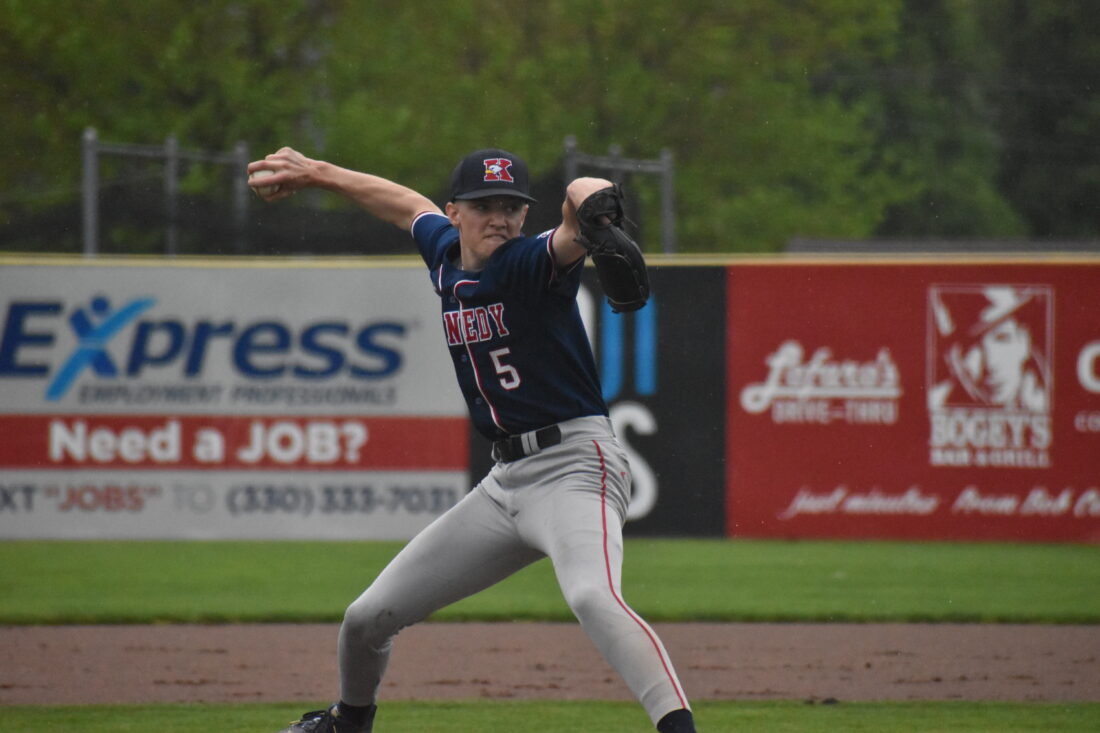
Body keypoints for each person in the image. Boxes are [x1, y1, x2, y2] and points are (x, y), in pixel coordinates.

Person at [248, 146, 697, 733]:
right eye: (484, 206)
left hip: (575, 467)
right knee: (365, 618)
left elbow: (579, 201)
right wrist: (318, 173)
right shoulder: (443, 253)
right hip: (505, 484)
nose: (499, 218)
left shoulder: (530, 261)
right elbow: (403, 204)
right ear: (454, 213)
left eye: (511, 206)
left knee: (593, 596)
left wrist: (598, 211)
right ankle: (347, 723)